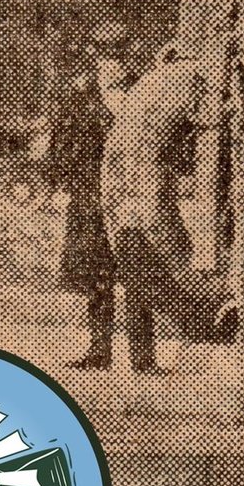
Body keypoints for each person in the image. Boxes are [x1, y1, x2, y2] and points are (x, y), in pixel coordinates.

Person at [100, 46, 208, 375]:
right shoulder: (180, 83)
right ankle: (195, 326)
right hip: (133, 195)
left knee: (139, 275)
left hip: (125, 193)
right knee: (146, 273)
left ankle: (144, 357)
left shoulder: (149, 86)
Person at [46, 24, 128, 368]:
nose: (112, 60)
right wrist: (58, 182)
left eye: (117, 52)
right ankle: (100, 348)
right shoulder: (80, 95)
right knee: (96, 272)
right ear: (94, 55)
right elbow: (62, 140)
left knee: (138, 267)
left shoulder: (141, 91)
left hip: (128, 192)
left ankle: (142, 354)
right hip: (90, 191)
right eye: (104, 52)